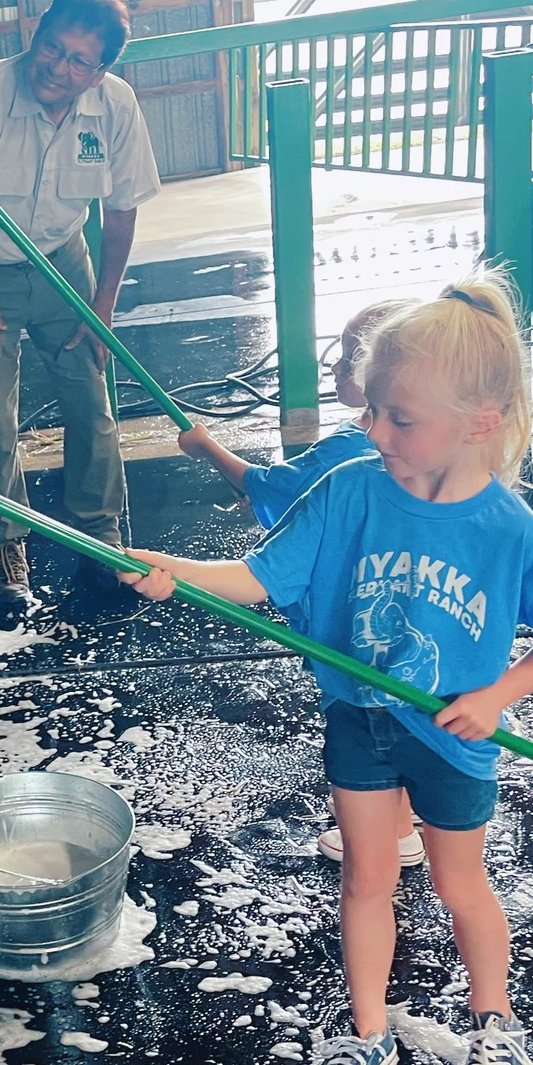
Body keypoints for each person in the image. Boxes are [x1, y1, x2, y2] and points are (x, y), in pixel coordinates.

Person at [120, 271, 533, 1065]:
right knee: (366, 878)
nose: (374, 430)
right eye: (373, 411)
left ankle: (496, 1022)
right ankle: (367, 1037)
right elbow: (257, 576)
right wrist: (174, 574)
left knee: (459, 883)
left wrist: (499, 694)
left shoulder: (510, 532)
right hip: (360, 721)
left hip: (451, 740)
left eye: (398, 418)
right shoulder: (350, 489)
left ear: (480, 424)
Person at [0, 0, 160, 613]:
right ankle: (4, 541)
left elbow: (122, 206)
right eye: (52, 47)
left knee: (91, 397)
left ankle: (101, 533)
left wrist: (102, 305)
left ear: (101, 70)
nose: (58, 68)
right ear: (36, 33)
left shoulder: (116, 107)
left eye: (81, 61)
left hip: (65, 264)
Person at [180, 300, 424, 869]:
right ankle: (407, 821)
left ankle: (382, 832)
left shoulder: (346, 457)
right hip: (408, 606)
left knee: (365, 712)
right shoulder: (435, 452)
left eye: (344, 358)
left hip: (353, 613)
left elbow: (270, 491)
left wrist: (204, 447)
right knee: (411, 701)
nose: (334, 368)